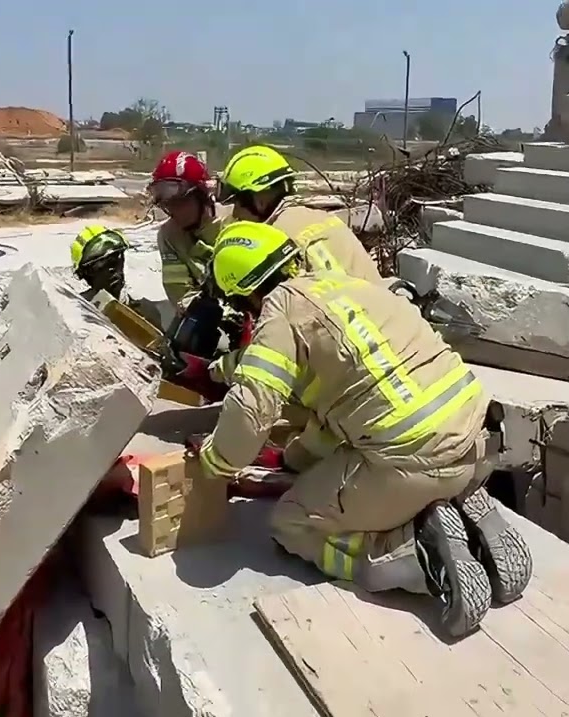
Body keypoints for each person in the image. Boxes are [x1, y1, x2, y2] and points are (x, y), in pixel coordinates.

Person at [194, 221, 532, 639]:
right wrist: (291, 457)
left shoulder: (280, 315)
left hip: (415, 464)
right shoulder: (346, 286)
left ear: (240, 290)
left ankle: (409, 553)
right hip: (478, 439)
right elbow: (340, 415)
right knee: (380, 455)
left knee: (290, 522)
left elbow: (249, 415)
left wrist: (216, 460)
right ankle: (463, 505)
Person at [217, 145, 384, 285]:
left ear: (261, 199)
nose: (236, 213)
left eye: (238, 202)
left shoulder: (275, 243)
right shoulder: (322, 216)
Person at [148, 150, 232, 307]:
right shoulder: (169, 236)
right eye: (167, 205)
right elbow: (180, 293)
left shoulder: (234, 221)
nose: (173, 211)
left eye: (180, 203)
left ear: (201, 196)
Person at [70, 224, 132, 301]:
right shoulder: (77, 308)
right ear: (85, 273)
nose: (112, 269)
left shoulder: (145, 308)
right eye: (101, 263)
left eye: (115, 257)